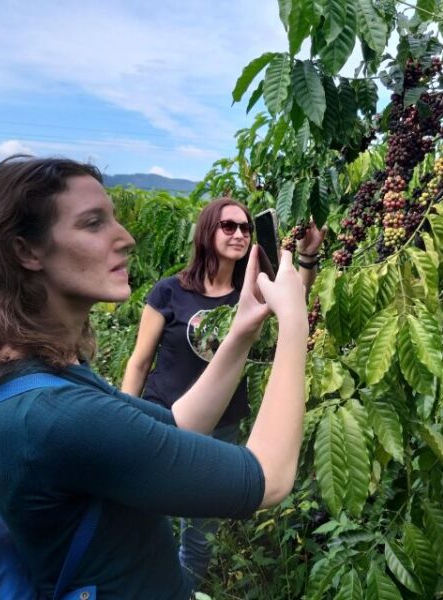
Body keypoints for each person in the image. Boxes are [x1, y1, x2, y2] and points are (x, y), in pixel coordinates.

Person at [0, 155, 309, 599]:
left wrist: (242, 330)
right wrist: (294, 325)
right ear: (25, 250)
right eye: (92, 223)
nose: (125, 238)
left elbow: (177, 424)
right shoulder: (55, 415)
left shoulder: (39, 378)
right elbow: (268, 477)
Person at [121, 198, 324, 589]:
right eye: (228, 226)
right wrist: (124, 420)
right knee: (148, 520)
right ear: (207, 231)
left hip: (223, 425)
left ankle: (184, 591)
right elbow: (139, 361)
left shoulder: (248, 292)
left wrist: (307, 258)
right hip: (164, 420)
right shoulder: (168, 292)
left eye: (246, 227)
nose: (239, 234)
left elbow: (291, 302)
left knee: (200, 534)